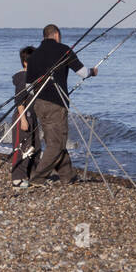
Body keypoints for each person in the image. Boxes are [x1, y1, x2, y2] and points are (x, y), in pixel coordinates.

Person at [24, 24, 96, 185]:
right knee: (57, 144)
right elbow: (83, 73)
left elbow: (28, 87)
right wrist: (93, 72)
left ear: (44, 36)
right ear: (56, 35)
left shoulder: (34, 56)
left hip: (39, 104)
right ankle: (38, 178)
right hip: (56, 104)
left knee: (53, 141)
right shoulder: (64, 50)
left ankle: (67, 176)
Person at [11, 45, 38, 188]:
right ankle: (17, 178)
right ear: (26, 62)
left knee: (33, 147)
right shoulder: (23, 77)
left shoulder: (33, 77)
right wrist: (23, 119)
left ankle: (32, 175)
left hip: (32, 116)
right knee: (21, 148)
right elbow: (19, 100)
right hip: (22, 116)